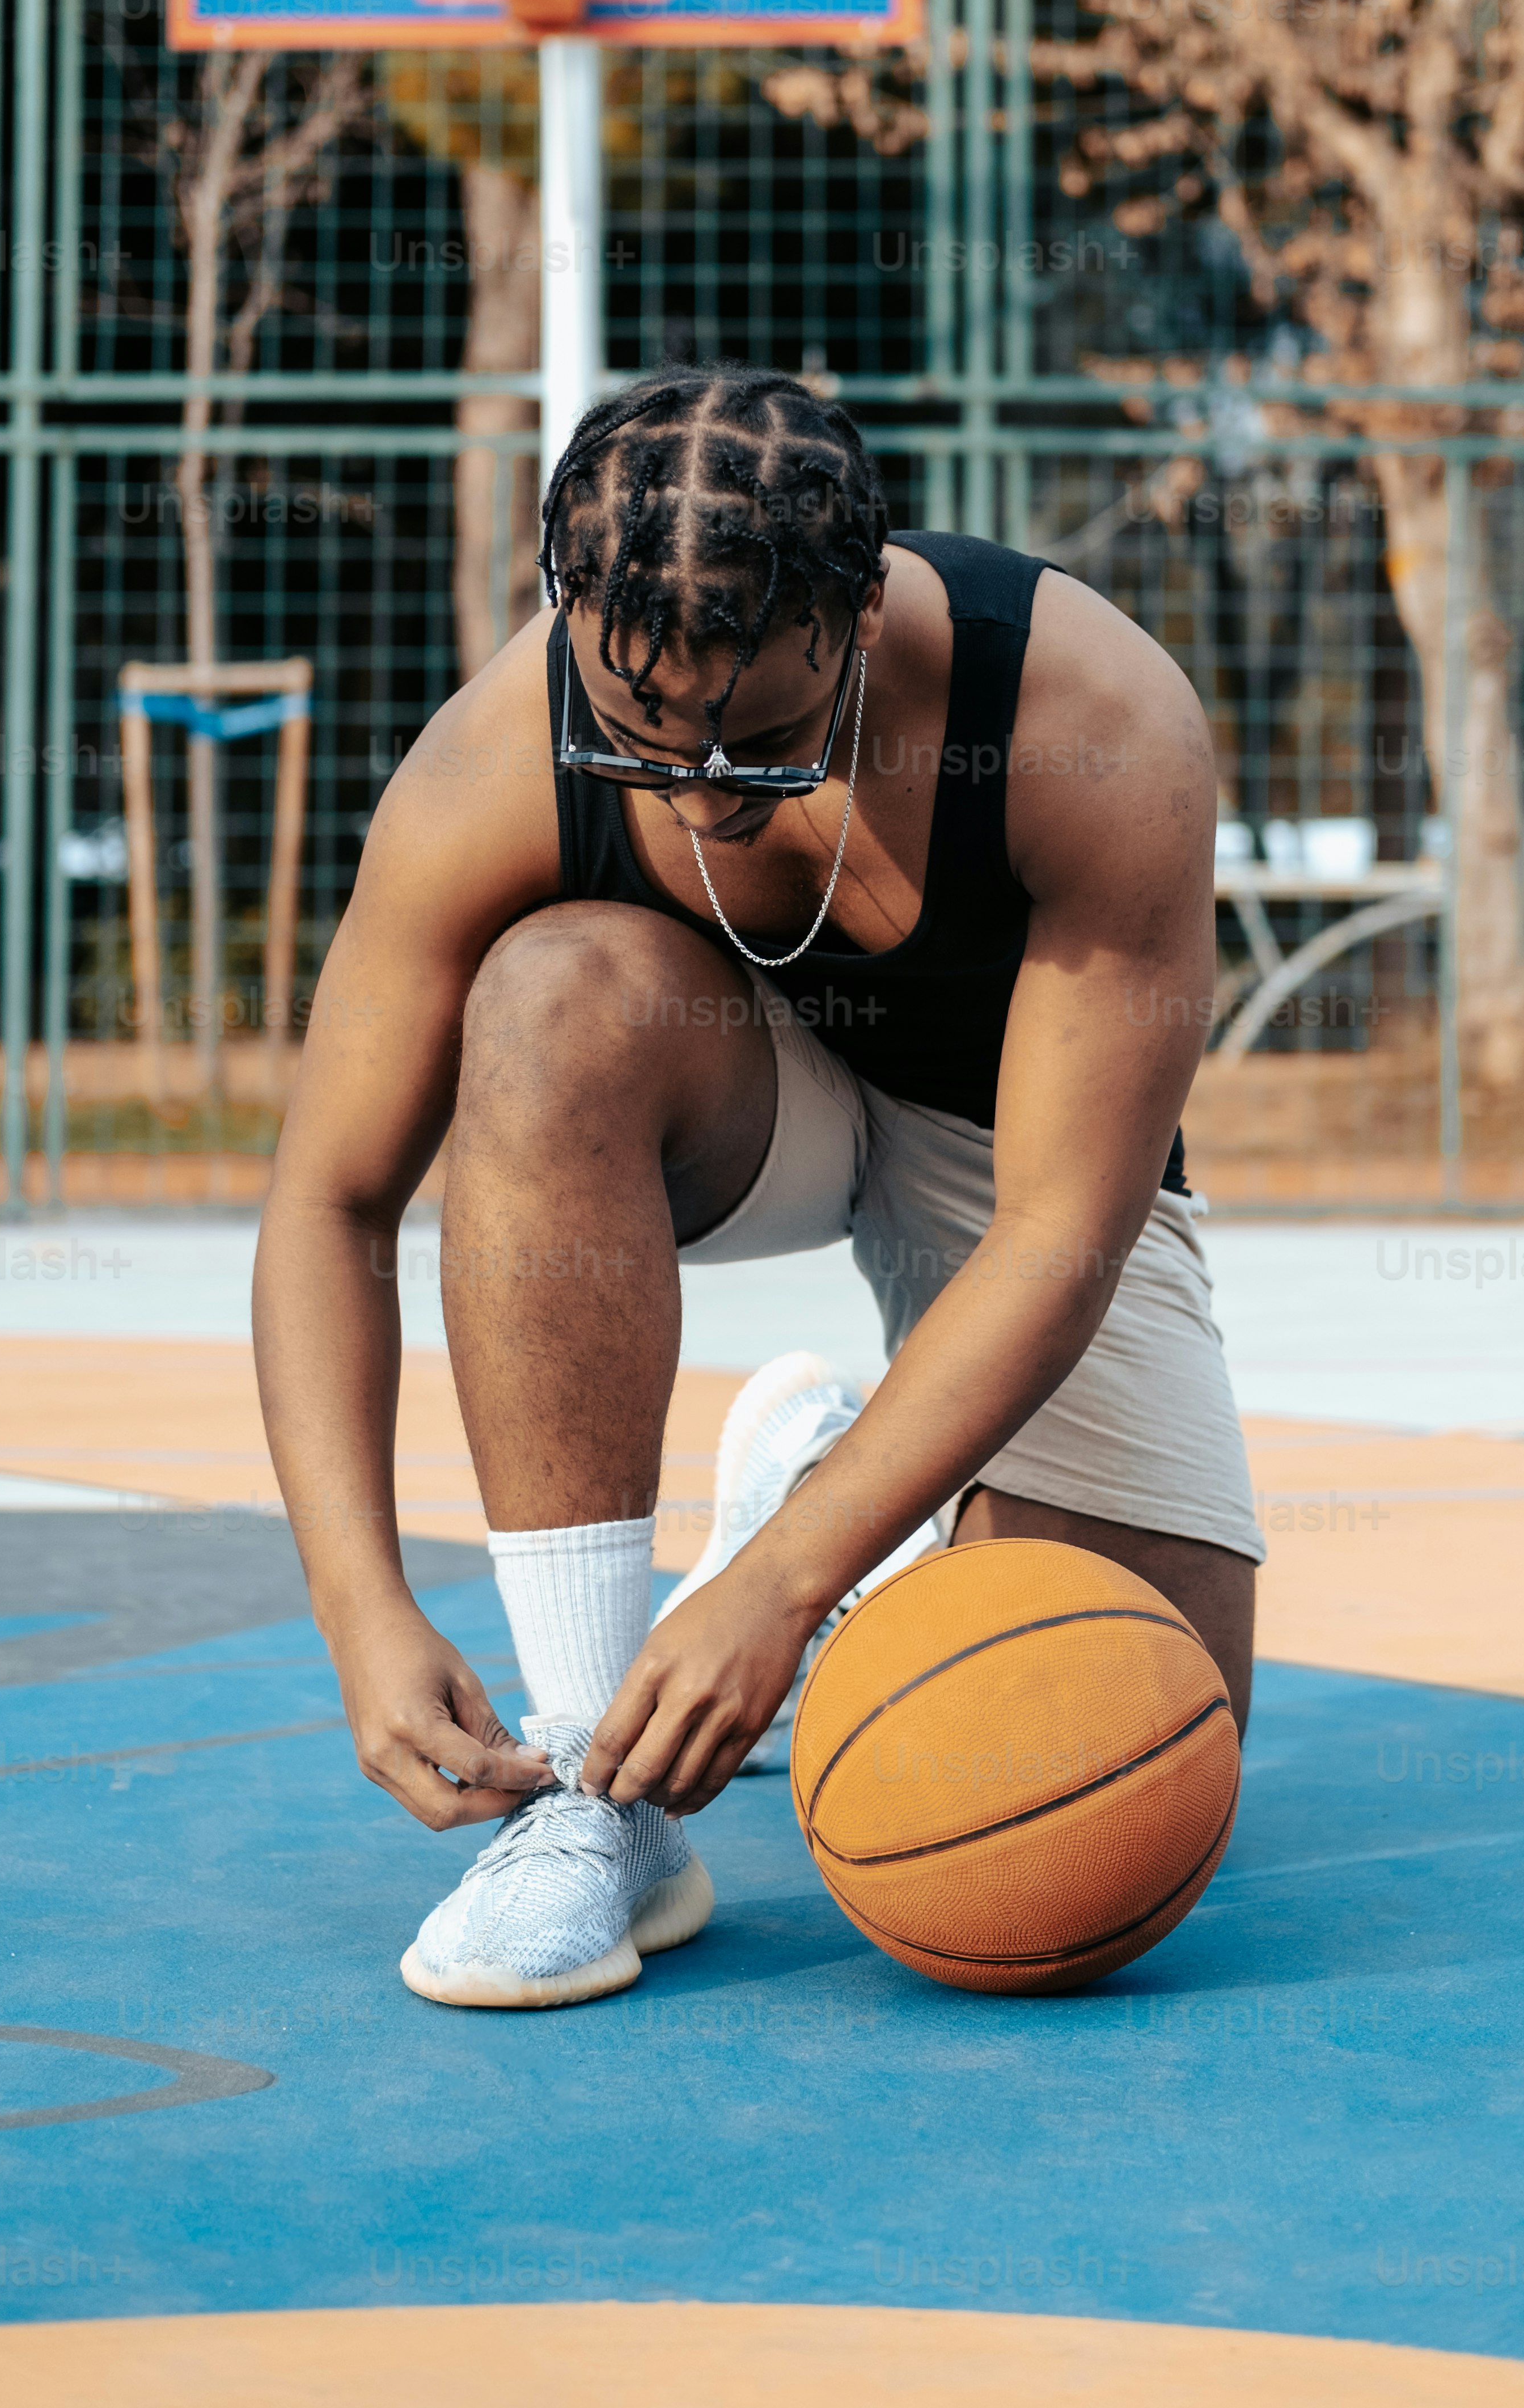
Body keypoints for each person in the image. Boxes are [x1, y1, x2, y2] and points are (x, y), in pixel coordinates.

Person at [253, 363, 1265, 2008]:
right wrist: (359, 1607)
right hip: (715, 1080)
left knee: (1134, 1739)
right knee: (551, 995)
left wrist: (786, 1575)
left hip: (1000, 1152)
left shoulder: (1091, 720)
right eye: (645, 742)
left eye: (767, 744)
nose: (704, 793)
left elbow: (1064, 1232)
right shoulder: (491, 760)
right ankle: (599, 1791)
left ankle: (841, 1511)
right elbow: (328, 1203)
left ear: (862, 617)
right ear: (566, 612)